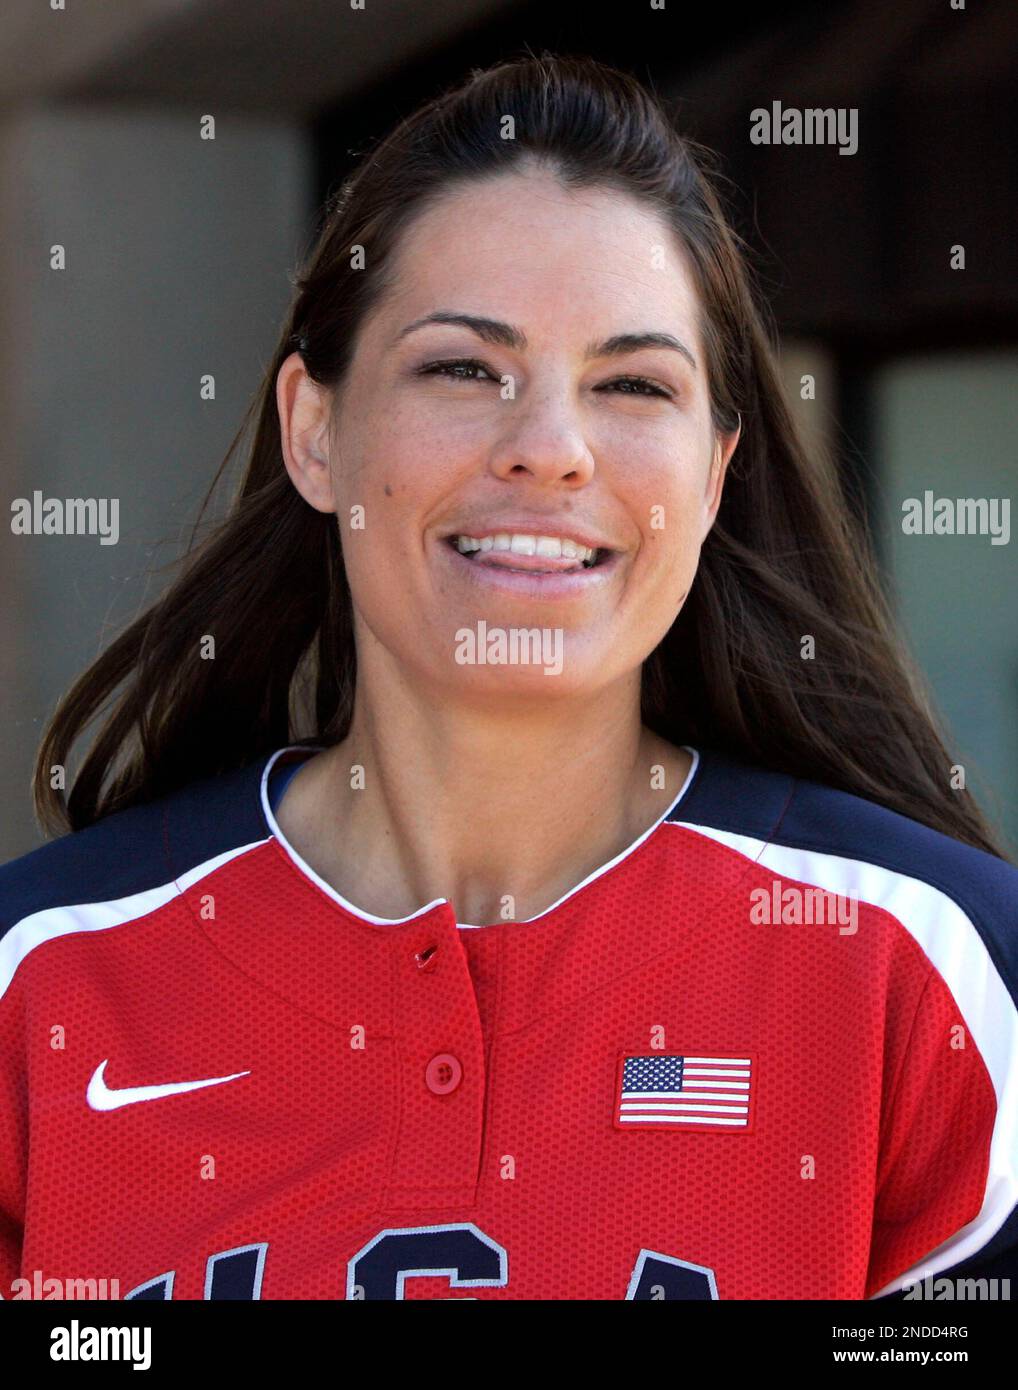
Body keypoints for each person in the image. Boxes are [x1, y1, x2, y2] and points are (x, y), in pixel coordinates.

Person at [1, 52, 1015, 1301]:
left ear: (711, 474)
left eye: (633, 384)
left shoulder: (939, 980)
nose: (549, 450)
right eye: (463, 369)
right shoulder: (38, 981)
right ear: (313, 431)